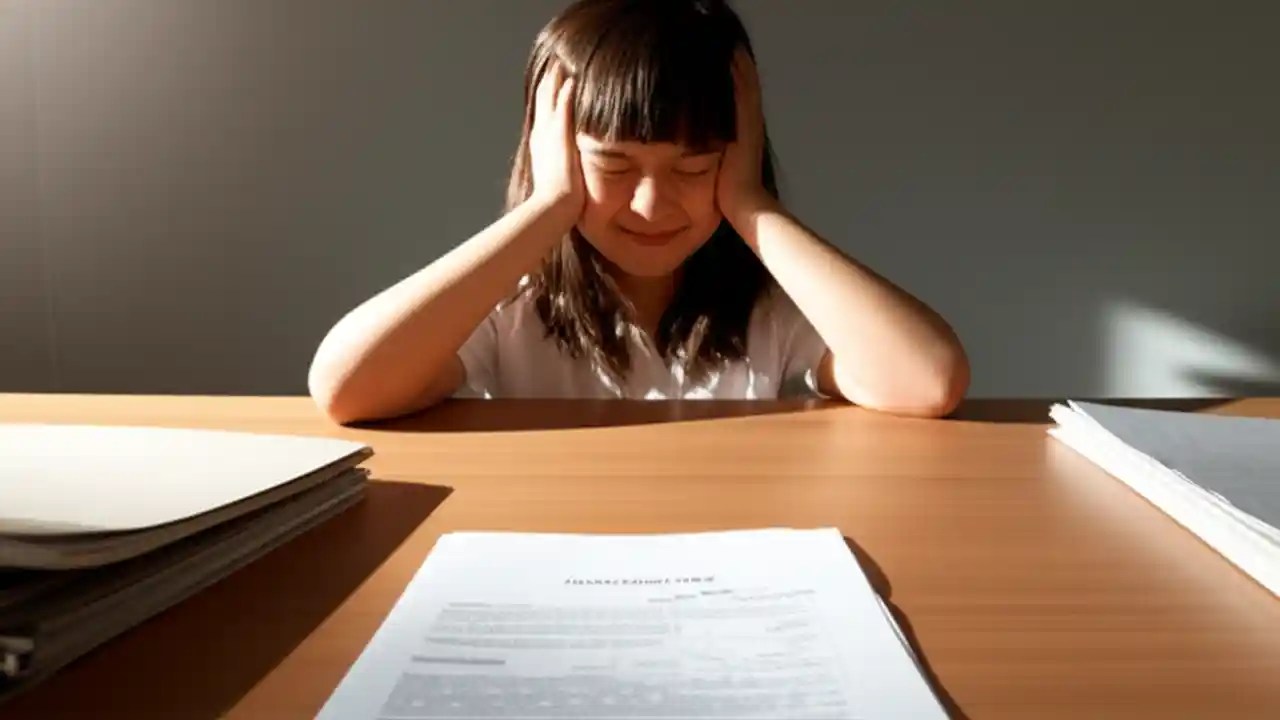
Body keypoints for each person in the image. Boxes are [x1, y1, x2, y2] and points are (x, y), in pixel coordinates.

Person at [308, 0, 969, 424]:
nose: (652, 204)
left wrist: (747, 204)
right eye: (615, 166)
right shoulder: (511, 305)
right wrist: (548, 205)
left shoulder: (771, 310)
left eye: (694, 167)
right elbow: (347, 389)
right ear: (555, 154)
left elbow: (928, 382)